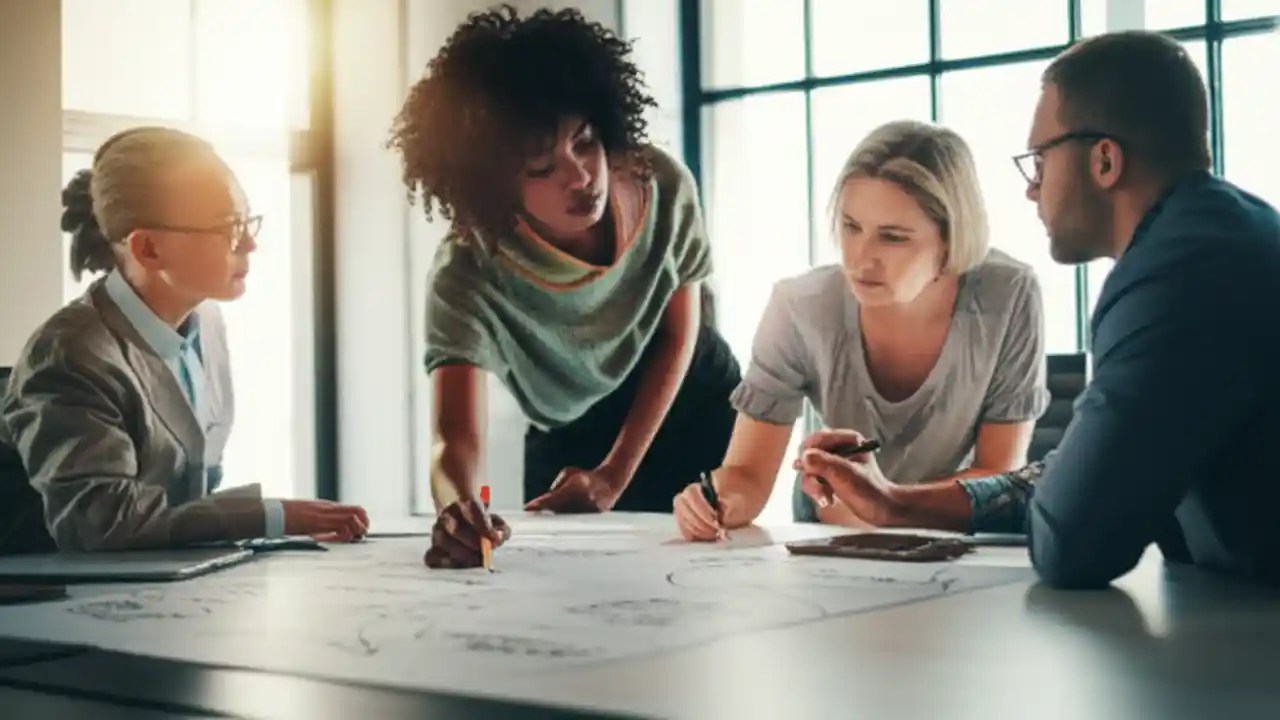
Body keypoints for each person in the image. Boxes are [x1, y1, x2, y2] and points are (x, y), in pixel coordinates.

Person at [794, 31, 1280, 588]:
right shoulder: (1220, 238)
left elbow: (1074, 543)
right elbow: (1088, 479)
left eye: (1040, 159)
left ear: (1104, 160)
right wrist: (896, 503)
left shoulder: (1176, 279)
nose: (1032, 189)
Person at [388, 6, 740, 569]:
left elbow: (680, 335)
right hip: (570, 436)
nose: (579, 176)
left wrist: (614, 475)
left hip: (692, 399)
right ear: (495, 182)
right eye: (540, 168)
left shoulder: (662, 184)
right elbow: (454, 435)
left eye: (585, 141)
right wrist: (456, 508)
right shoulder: (468, 271)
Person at [674, 120, 1050, 542]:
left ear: (952, 238)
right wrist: (715, 502)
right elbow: (747, 475)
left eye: (892, 237)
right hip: (835, 524)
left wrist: (887, 503)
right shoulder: (800, 306)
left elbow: (997, 477)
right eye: (851, 227)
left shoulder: (1009, 295)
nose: (860, 259)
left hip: (954, 534)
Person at [0, 126, 369, 553]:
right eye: (230, 227)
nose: (250, 243)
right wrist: (272, 517)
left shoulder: (206, 321)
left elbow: (186, 498)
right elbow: (100, 524)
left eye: (247, 220)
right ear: (148, 249)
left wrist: (276, 529)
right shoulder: (70, 354)